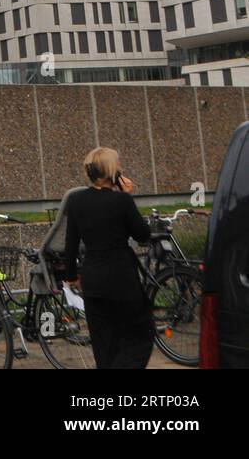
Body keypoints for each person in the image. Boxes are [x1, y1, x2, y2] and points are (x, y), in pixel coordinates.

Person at [61, 147, 153, 369]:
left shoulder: (76, 201)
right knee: (139, 338)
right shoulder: (121, 201)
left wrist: (71, 276)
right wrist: (128, 197)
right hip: (122, 279)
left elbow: (70, 243)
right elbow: (143, 235)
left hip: (92, 279)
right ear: (113, 172)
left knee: (104, 346)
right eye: (118, 165)